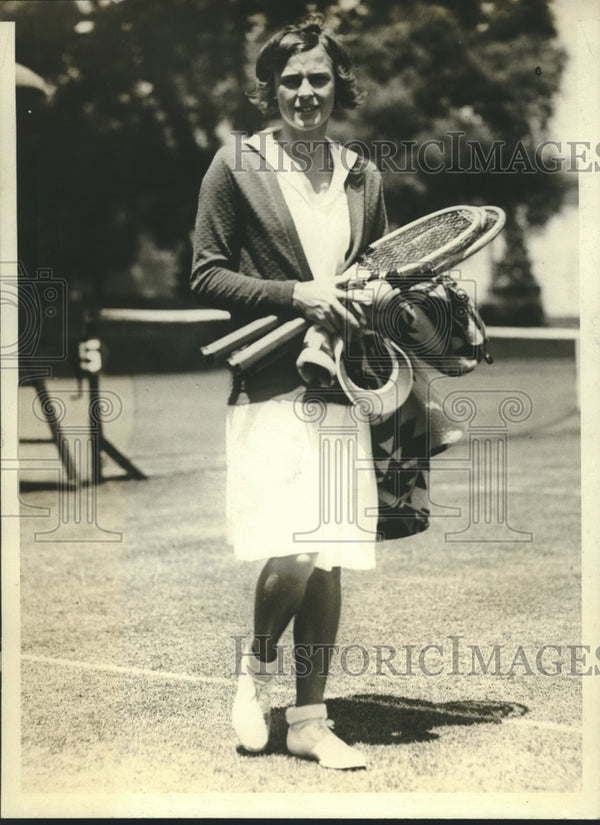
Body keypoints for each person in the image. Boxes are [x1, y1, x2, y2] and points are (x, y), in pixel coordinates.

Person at [191, 16, 433, 771]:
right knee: (292, 549)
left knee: (328, 555)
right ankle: (253, 667)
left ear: (339, 86)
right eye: (290, 79)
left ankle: (308, 718)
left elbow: (381, 279)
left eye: (318, 79)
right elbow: (205, 271)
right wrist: (298, 293)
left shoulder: (363, 174)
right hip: (269, 384)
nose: (304, 92)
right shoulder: (236, 165)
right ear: (269, 87)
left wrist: (407, 307)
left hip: (342, 386)